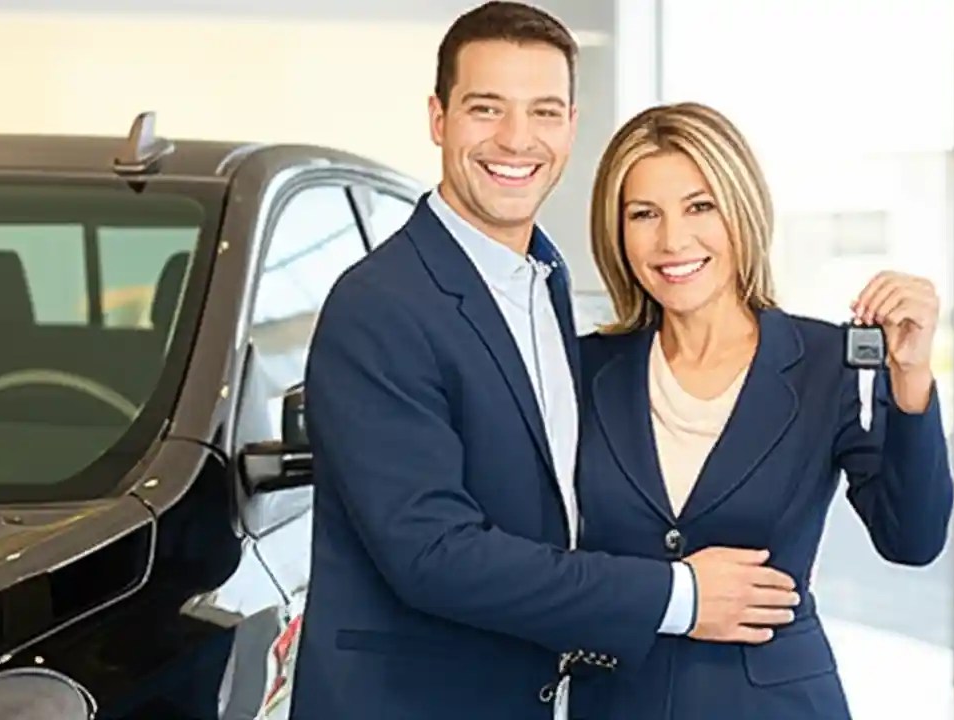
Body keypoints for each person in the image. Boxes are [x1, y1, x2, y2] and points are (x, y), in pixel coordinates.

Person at [289, 5, 800, 720]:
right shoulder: (381, 304)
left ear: (570, 125)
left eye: (544, 111)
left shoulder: (543, 283)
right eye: (485, 108)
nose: (516, 139)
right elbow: (432, 553)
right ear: (439, 118)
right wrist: (679, 596)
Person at [571, 101, 954, 719]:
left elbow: (911, 539)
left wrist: (911, 374)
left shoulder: (826, 363)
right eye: (644, 214)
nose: (673, 240)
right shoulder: (583, 369)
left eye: (700, 207)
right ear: (616, 233)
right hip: (617, 703)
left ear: (741, 212)